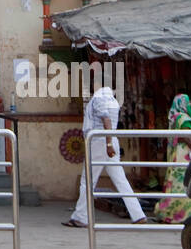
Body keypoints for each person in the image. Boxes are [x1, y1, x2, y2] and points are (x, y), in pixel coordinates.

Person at [64, 85, 149, 227]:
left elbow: (106, 120)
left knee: (88, 181)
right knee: (120, 179)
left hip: (99, 142)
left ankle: (80, 217)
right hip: (108, 141)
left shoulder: (99, 97)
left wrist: (108, 144)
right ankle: (138, 214)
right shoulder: (112, 99)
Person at [152, 94, 191, 223]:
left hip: (179, 155)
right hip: (187, 156)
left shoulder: (175, 118)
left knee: (178, 184)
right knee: (189, 184)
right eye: (189, 102)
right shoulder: (183, 119)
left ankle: (173, 211)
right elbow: (187, 137)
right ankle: (188, 213)